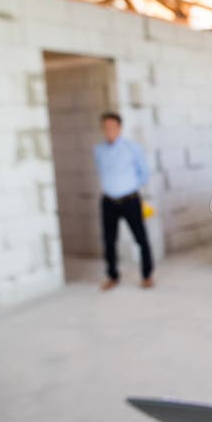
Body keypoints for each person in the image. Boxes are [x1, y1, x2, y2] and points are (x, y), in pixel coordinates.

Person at [94, 112, 154, 291]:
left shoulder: (132, 148)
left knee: (141, 239)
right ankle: (112, 276)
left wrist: (129, 186)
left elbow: (144, 173)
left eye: (112, 127)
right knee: (109, 241)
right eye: (106, 128)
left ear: (119, 128)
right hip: (108, 201)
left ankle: (147, 275)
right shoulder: (98, 150)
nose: (109, 131)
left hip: (130, 200)